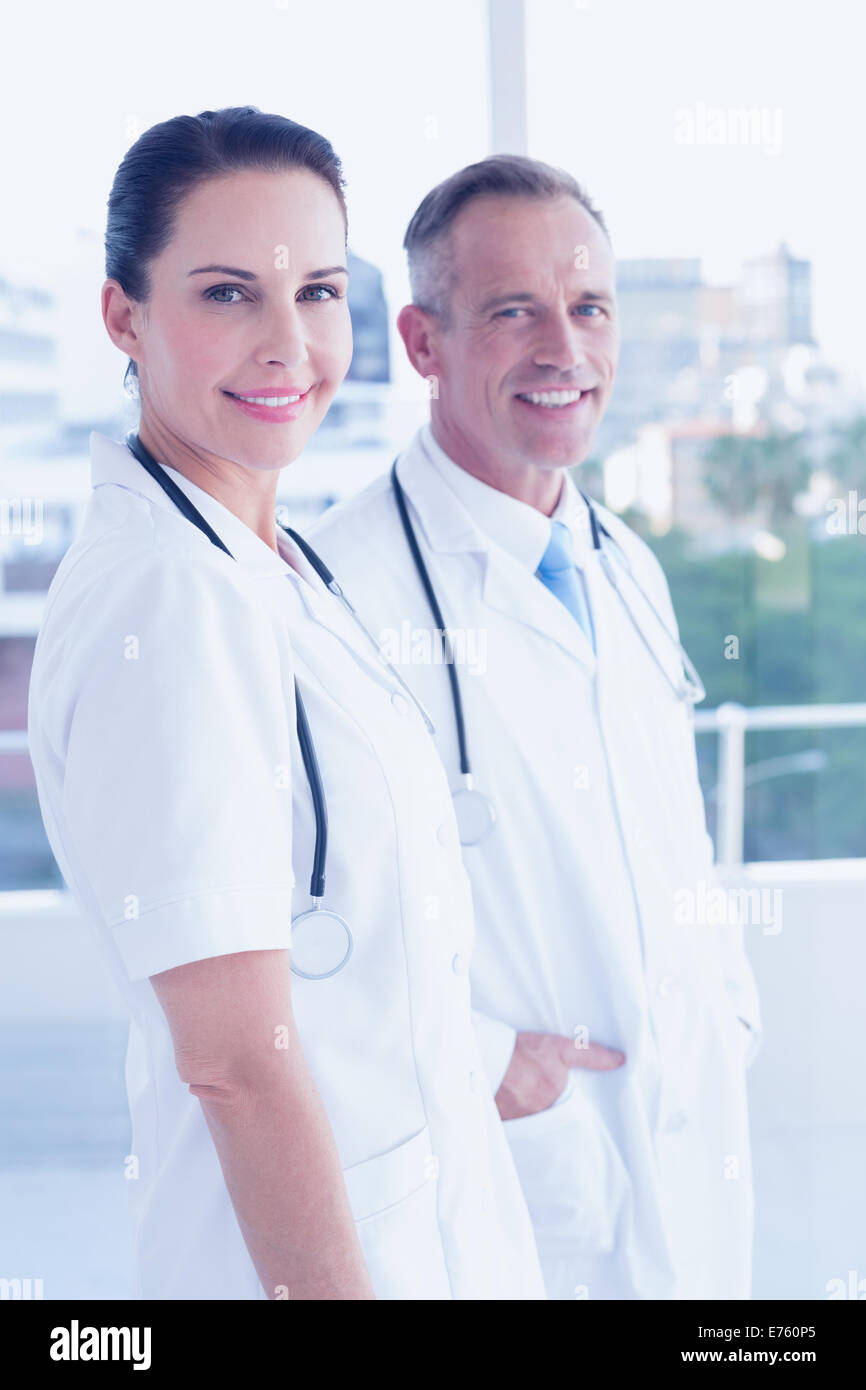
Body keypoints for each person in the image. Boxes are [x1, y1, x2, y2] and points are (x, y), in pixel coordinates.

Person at [27, 113, 545, 1302]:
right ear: (124, 317)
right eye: (224, 293)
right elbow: (232, 1065)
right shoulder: (166, 594)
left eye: (316, 289)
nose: (287, 344)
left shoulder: (267, 564)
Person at [309, 154, 763, 1300]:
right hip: (521, 1185)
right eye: (514, 311)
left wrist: (723, 996)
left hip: (687, 1156)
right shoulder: (335, 594)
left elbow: (667, 832)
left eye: (588, 307)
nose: (565, 350)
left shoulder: (628, 568)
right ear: (420, 342)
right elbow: (295, 933)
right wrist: (487, 1064)